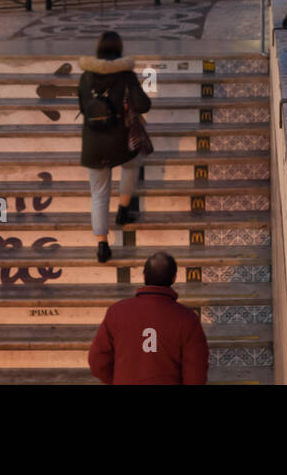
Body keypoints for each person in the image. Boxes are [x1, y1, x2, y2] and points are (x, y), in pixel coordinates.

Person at [78, 31, 152, 264]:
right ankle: (123, 209)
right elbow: (143, 105)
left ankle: (102, 245)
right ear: (119, 49)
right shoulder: (126, 75)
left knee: (98, 194)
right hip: (121, 140)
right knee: (131, 165)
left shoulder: (86, 76)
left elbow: (82, 105)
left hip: (94, 144)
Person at [87, 251, 209, 385]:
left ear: (144, 276)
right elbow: (196, 371)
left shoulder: (116, 311)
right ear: (174, 278)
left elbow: (97, 360)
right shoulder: (187, 318)